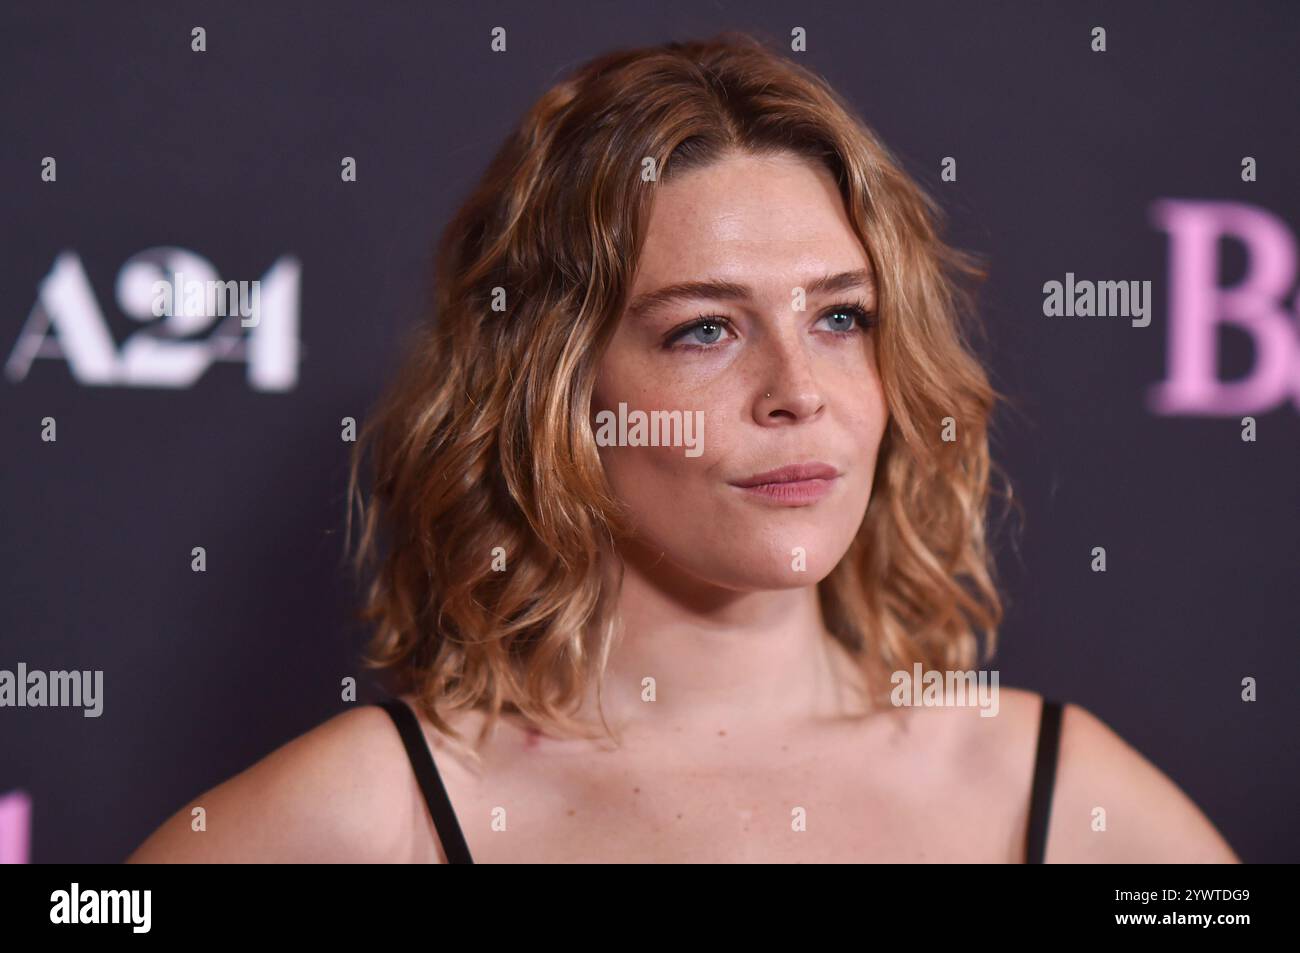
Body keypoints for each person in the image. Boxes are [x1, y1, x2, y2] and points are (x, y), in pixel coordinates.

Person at [127, 31, 1238, 864]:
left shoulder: (1057, 791)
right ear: (554, 389)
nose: (797, 391)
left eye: (840, 316)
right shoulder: (377, 814)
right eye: (704, 328)